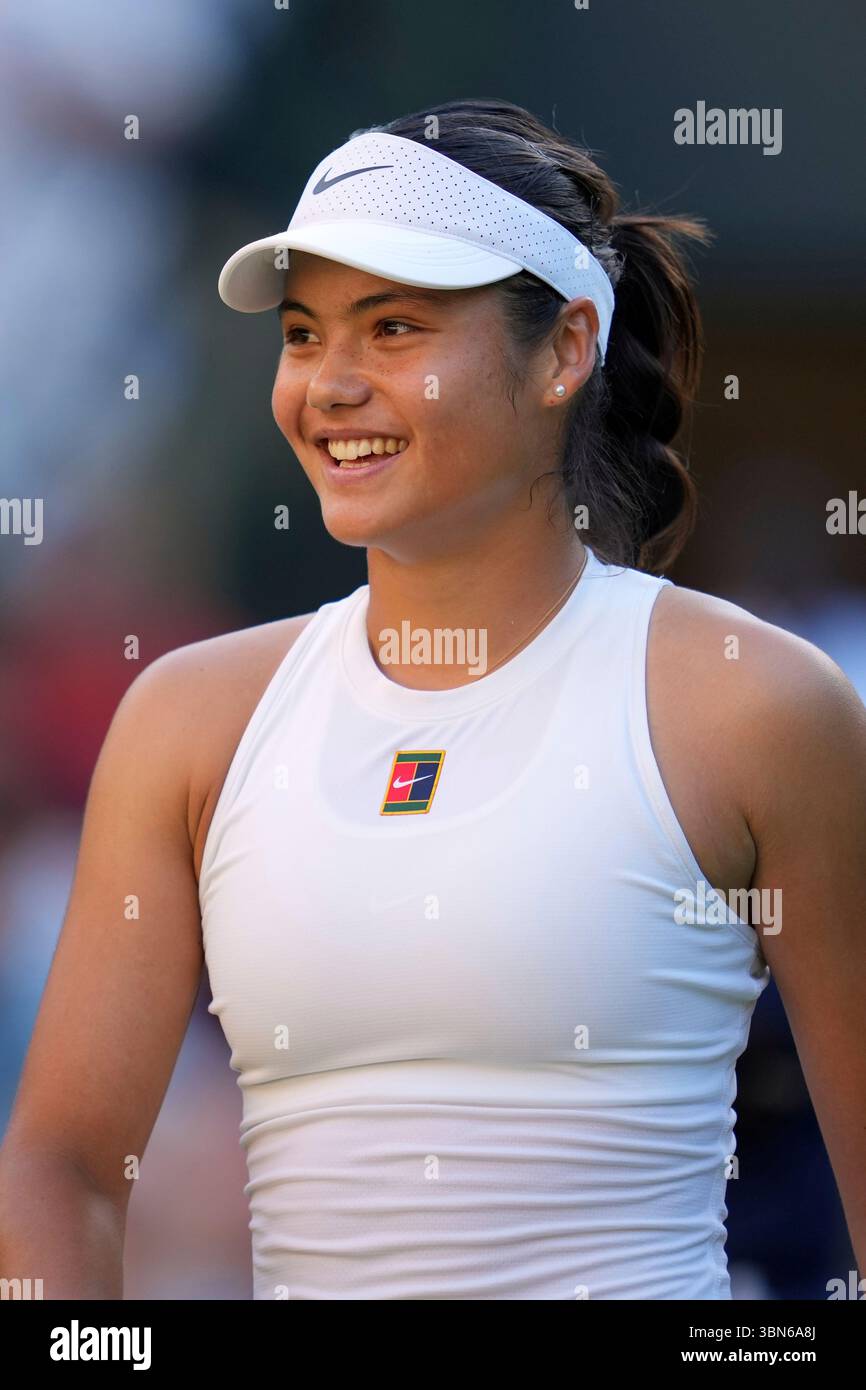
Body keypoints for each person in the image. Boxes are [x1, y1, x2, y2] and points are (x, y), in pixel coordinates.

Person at [1, 98, 864, 1301]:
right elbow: (66, 1164)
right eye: (305, 336)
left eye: (394, 327)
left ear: (564, 350)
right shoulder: (189, 720)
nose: (331, 384)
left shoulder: (757, 705)